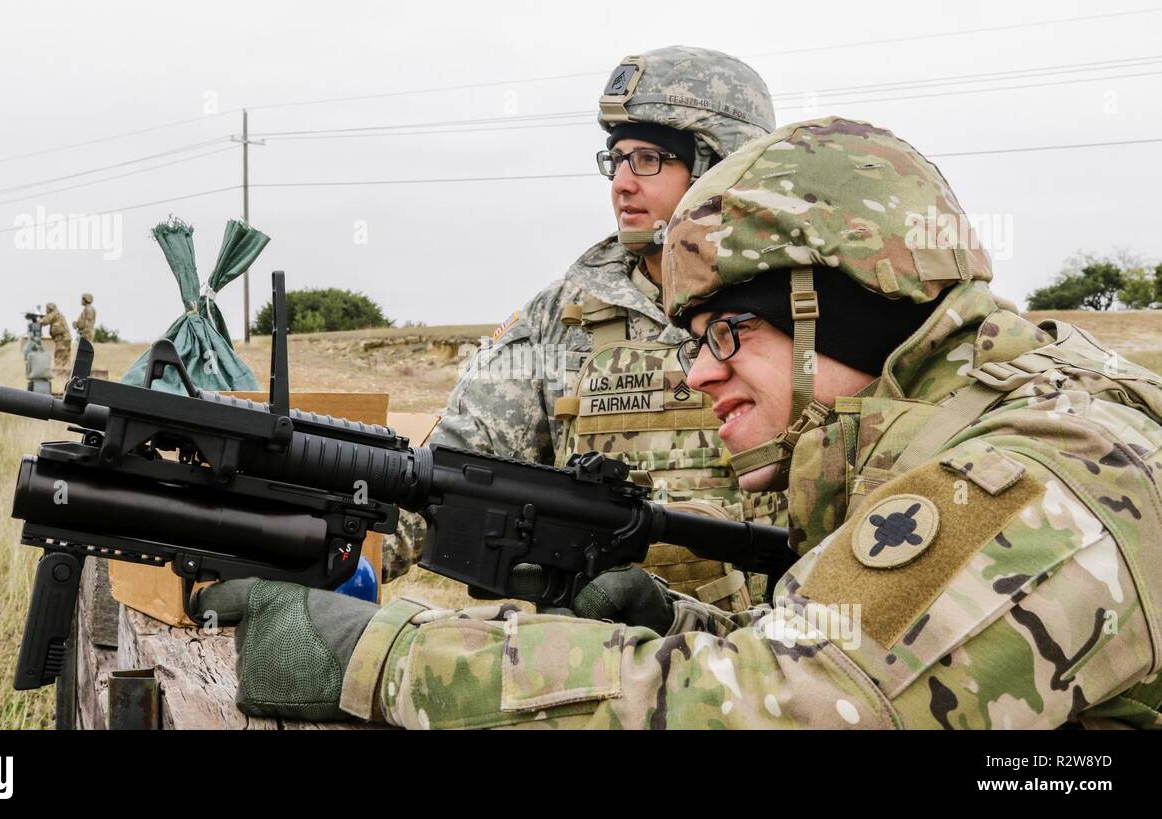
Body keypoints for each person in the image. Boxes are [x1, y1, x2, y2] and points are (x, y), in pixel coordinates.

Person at [199, 117, 1162, 729]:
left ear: (833, 305)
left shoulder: (1047, 465)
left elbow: (797, 711)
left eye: (727, 332)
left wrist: (377, 655)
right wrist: (678, 620)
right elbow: (850, 656)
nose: (699, 371)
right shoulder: (941, 419)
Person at [385, 46, 782, 610]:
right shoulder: (559, 318)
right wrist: (316, 541)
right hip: (589, 667)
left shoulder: (804, 312)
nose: (621, 183)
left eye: (648, 159)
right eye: (615, 159)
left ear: (720, 167)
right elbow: (443, 480)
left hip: (768, 671)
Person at [39, 302, 72, 373]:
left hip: (62, 339)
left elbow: (45, 321)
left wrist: (37, 320)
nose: (46, 310)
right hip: (65, 338)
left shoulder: (54, 314)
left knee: (59, 355)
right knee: (65, 357)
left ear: (50, 308)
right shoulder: (58, 314)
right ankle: (65, 372)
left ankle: (59, 373)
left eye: (47, 308)